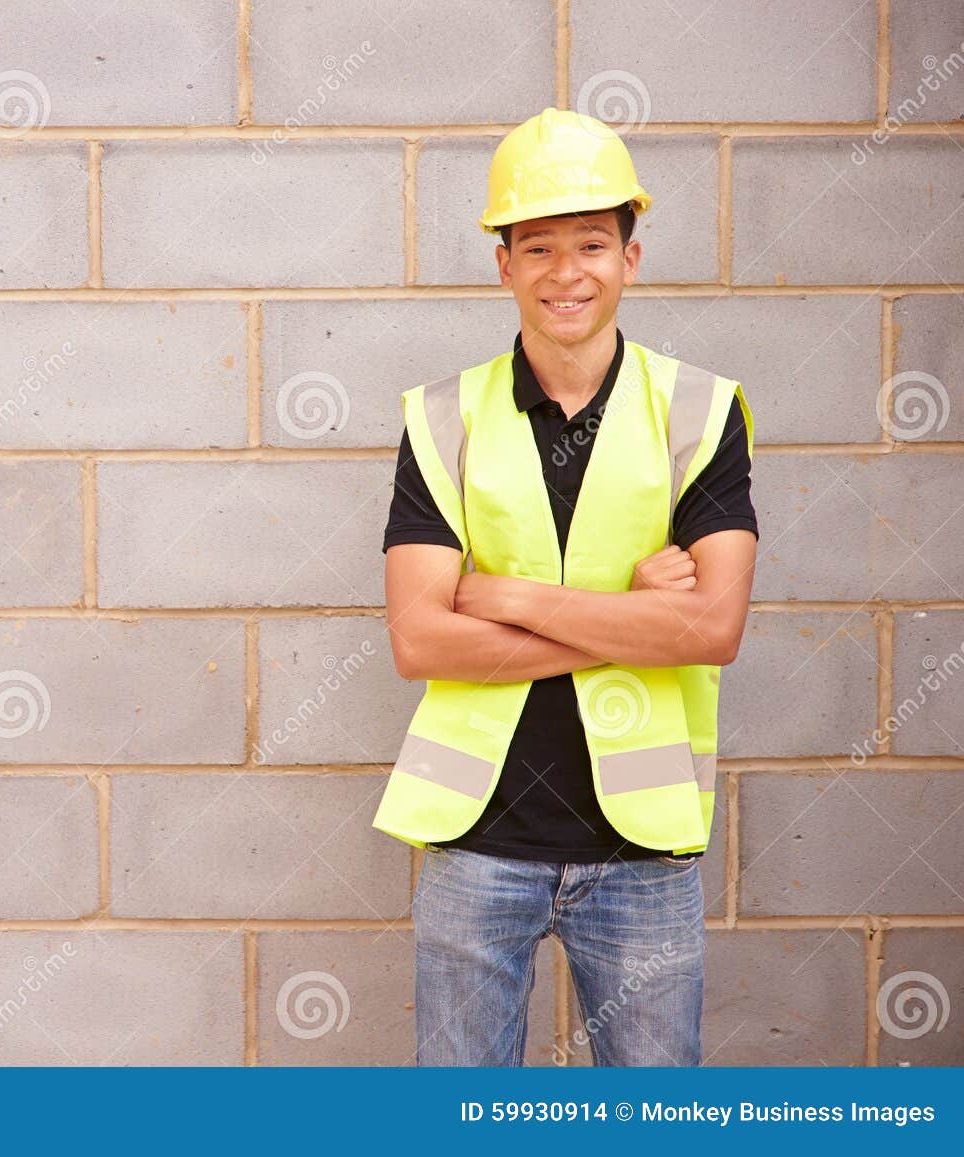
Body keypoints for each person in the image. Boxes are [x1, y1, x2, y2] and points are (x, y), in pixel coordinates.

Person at [374, 108, 759, 1066]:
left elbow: (712, 626)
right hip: (475, 841)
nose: (566, 271)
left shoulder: (701, 411)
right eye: (537, 246)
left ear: (632, 255)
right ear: (503, 265)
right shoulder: (442, 417)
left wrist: (504, 596)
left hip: (641, 847)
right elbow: (419, 641)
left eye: (592, 242)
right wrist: (635, 615)